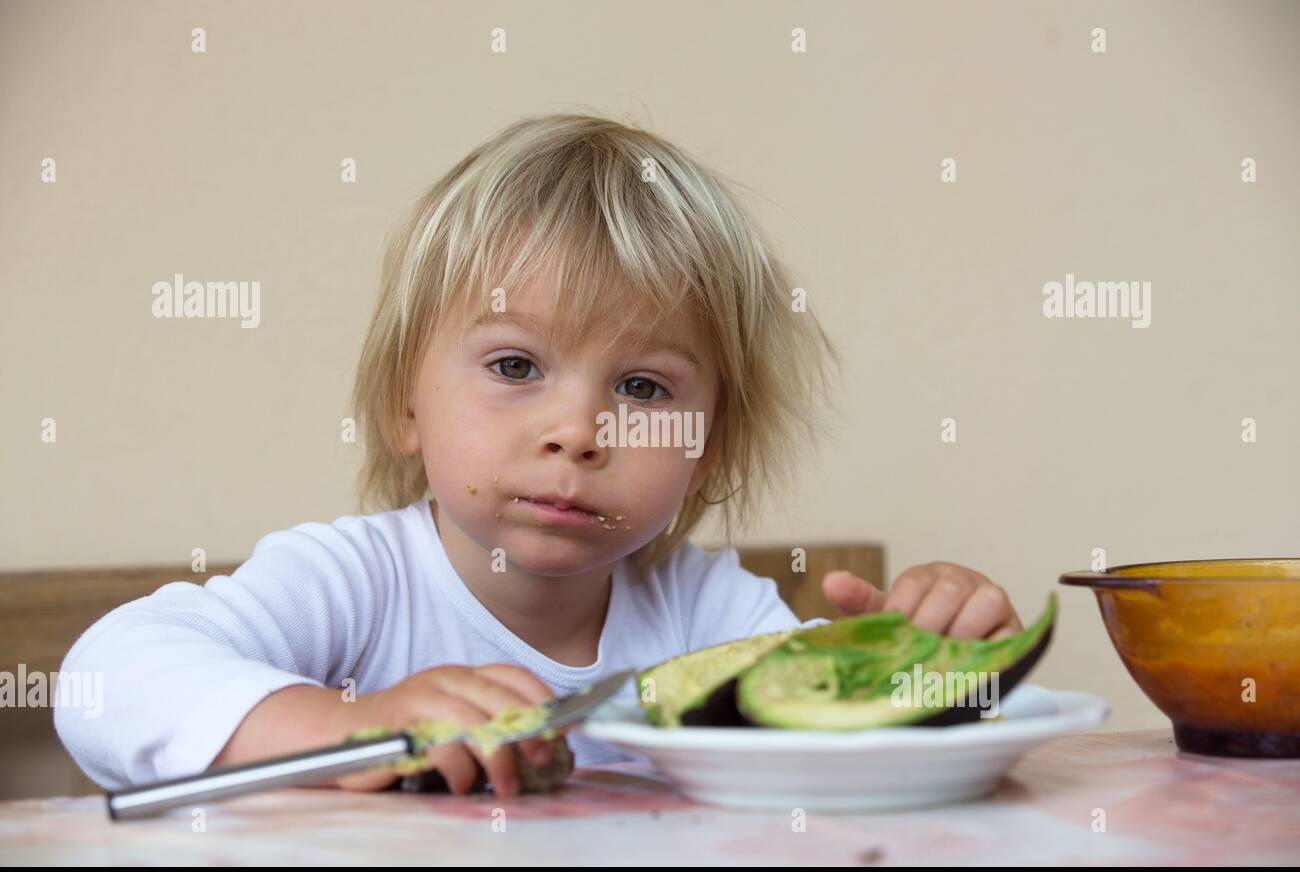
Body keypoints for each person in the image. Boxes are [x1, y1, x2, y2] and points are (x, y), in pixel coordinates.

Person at [55, 112, 1023, 798]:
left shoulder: (707, 612)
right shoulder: (355, 579)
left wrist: (939, 672)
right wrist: (335, 725)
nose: (577, 431)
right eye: (515, 364)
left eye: (642, 388)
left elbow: (844, 759)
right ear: (406, 404)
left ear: (704, 446)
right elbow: (108, 675)